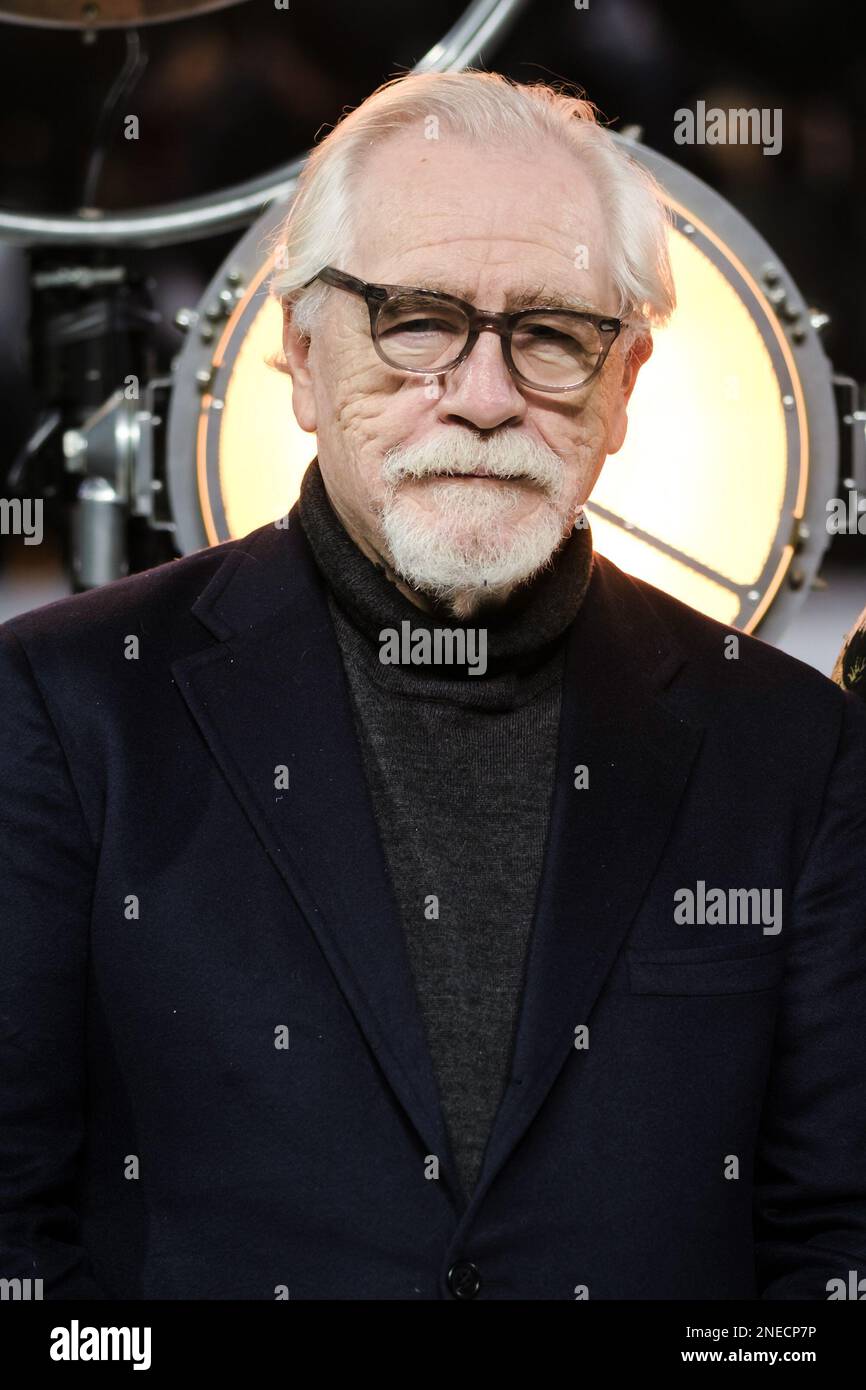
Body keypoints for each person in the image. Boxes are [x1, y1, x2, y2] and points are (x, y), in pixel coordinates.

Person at [2, 70, 865, 1302]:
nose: (482, 394)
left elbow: (836, 1241)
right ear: (298, 353)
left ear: (623, 389)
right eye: (415, 320)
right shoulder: (63, 708)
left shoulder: (795, 747)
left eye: (553, 334)